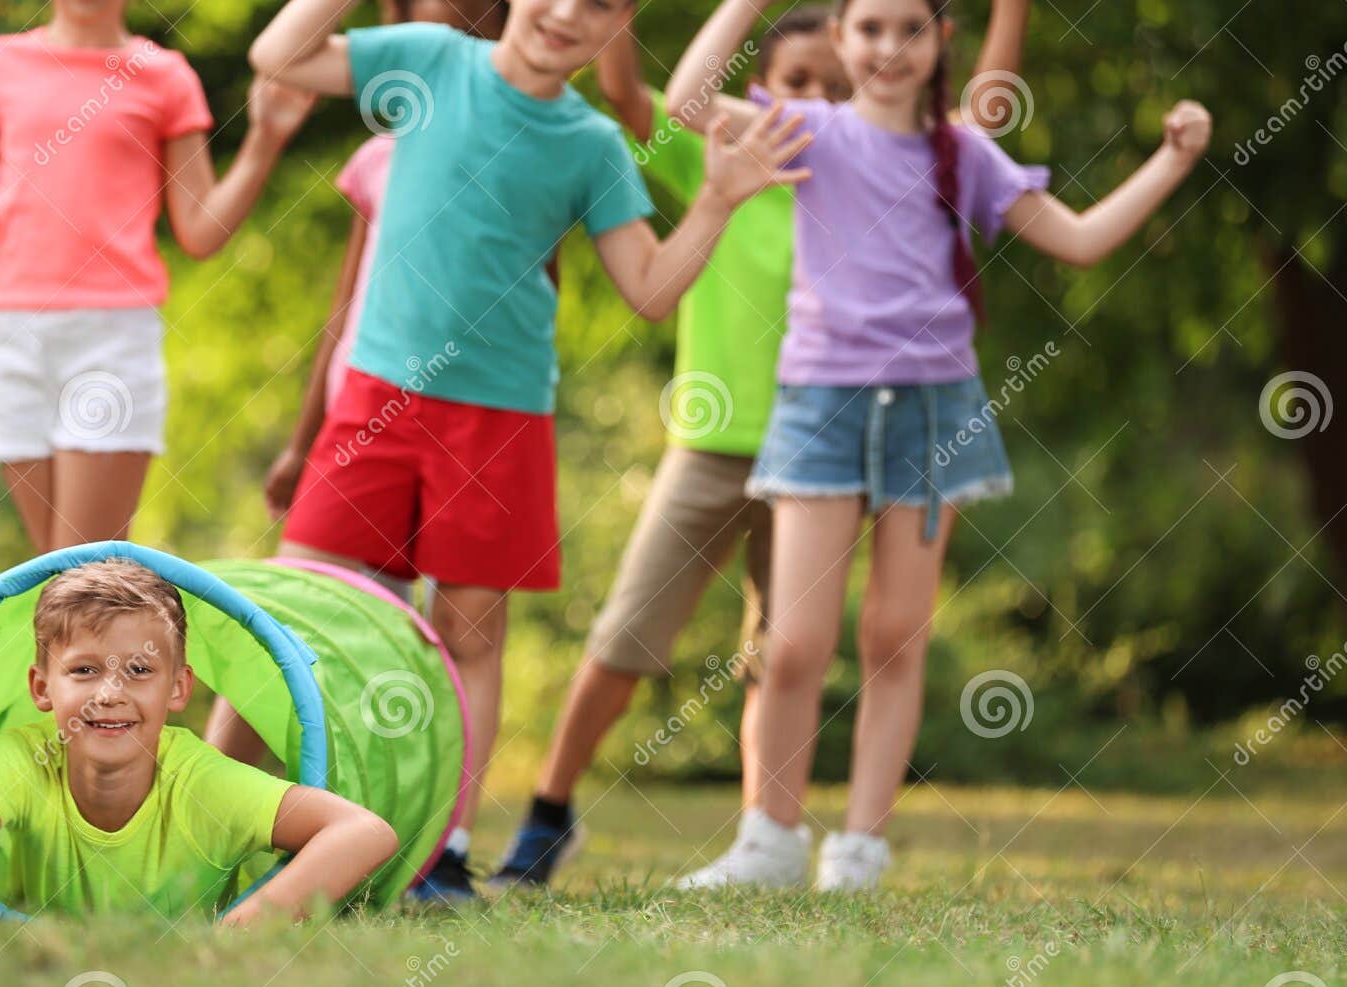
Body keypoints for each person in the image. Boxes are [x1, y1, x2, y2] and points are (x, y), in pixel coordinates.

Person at [240, 0, 813, 902]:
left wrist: (717, 198)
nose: (566, 14)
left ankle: (441, 852)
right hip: (379, 397)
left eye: (598, 5)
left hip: (500, 418)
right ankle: (211, 812)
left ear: (617, 23)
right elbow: (278, 51)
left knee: (470, 632)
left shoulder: (589, 144)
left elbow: (653, 290)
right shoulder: (428, 62)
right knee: (289, 611)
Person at [664, 0, 1210, 890]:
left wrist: (1173, 159)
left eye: (908, 28)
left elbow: (1079, 239)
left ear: (940, 42)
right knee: (794, 642)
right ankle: (768, 839)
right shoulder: (809, 130)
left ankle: (861, 848)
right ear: (840, 40)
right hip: (820, 407)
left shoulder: (965, 153)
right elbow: (687, 104)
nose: (887, 47)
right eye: (869, 28)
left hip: (932, 410)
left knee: (892, 636)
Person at [490, 0, 1032, 890]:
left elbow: (980, 114)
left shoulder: (874, 166)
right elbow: (630, 91)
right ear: (760, 90)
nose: (817, 95)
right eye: (797, 82)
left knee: (785, 651)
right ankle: (548, 810)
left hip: (825, 452)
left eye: (829, 82)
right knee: (626, 639)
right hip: (713, 447)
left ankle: (767, 840)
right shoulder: (727, 161)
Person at [0, 0, 315, 552]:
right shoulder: (0, 67)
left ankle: (143, 636)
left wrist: (266, 139)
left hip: (110, 336)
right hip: (13, 335)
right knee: (60, 578)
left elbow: (201, 230)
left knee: (81, 576)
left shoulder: (165, 76)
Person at [0, 559, 398, 927]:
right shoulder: (27, 757)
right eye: (84, 670)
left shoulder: (203, 784)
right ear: (42, 689)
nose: (110, 694)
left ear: (177, 688)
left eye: (138, 670)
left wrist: (240, 933)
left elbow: (365, 831)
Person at [256, 0, 513, 625]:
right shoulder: (380, 156)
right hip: (361, 411)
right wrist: (300, 441)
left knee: (445, 631)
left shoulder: (527, 144)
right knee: (306, 611)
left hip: (468, 421)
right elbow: (342, 310)